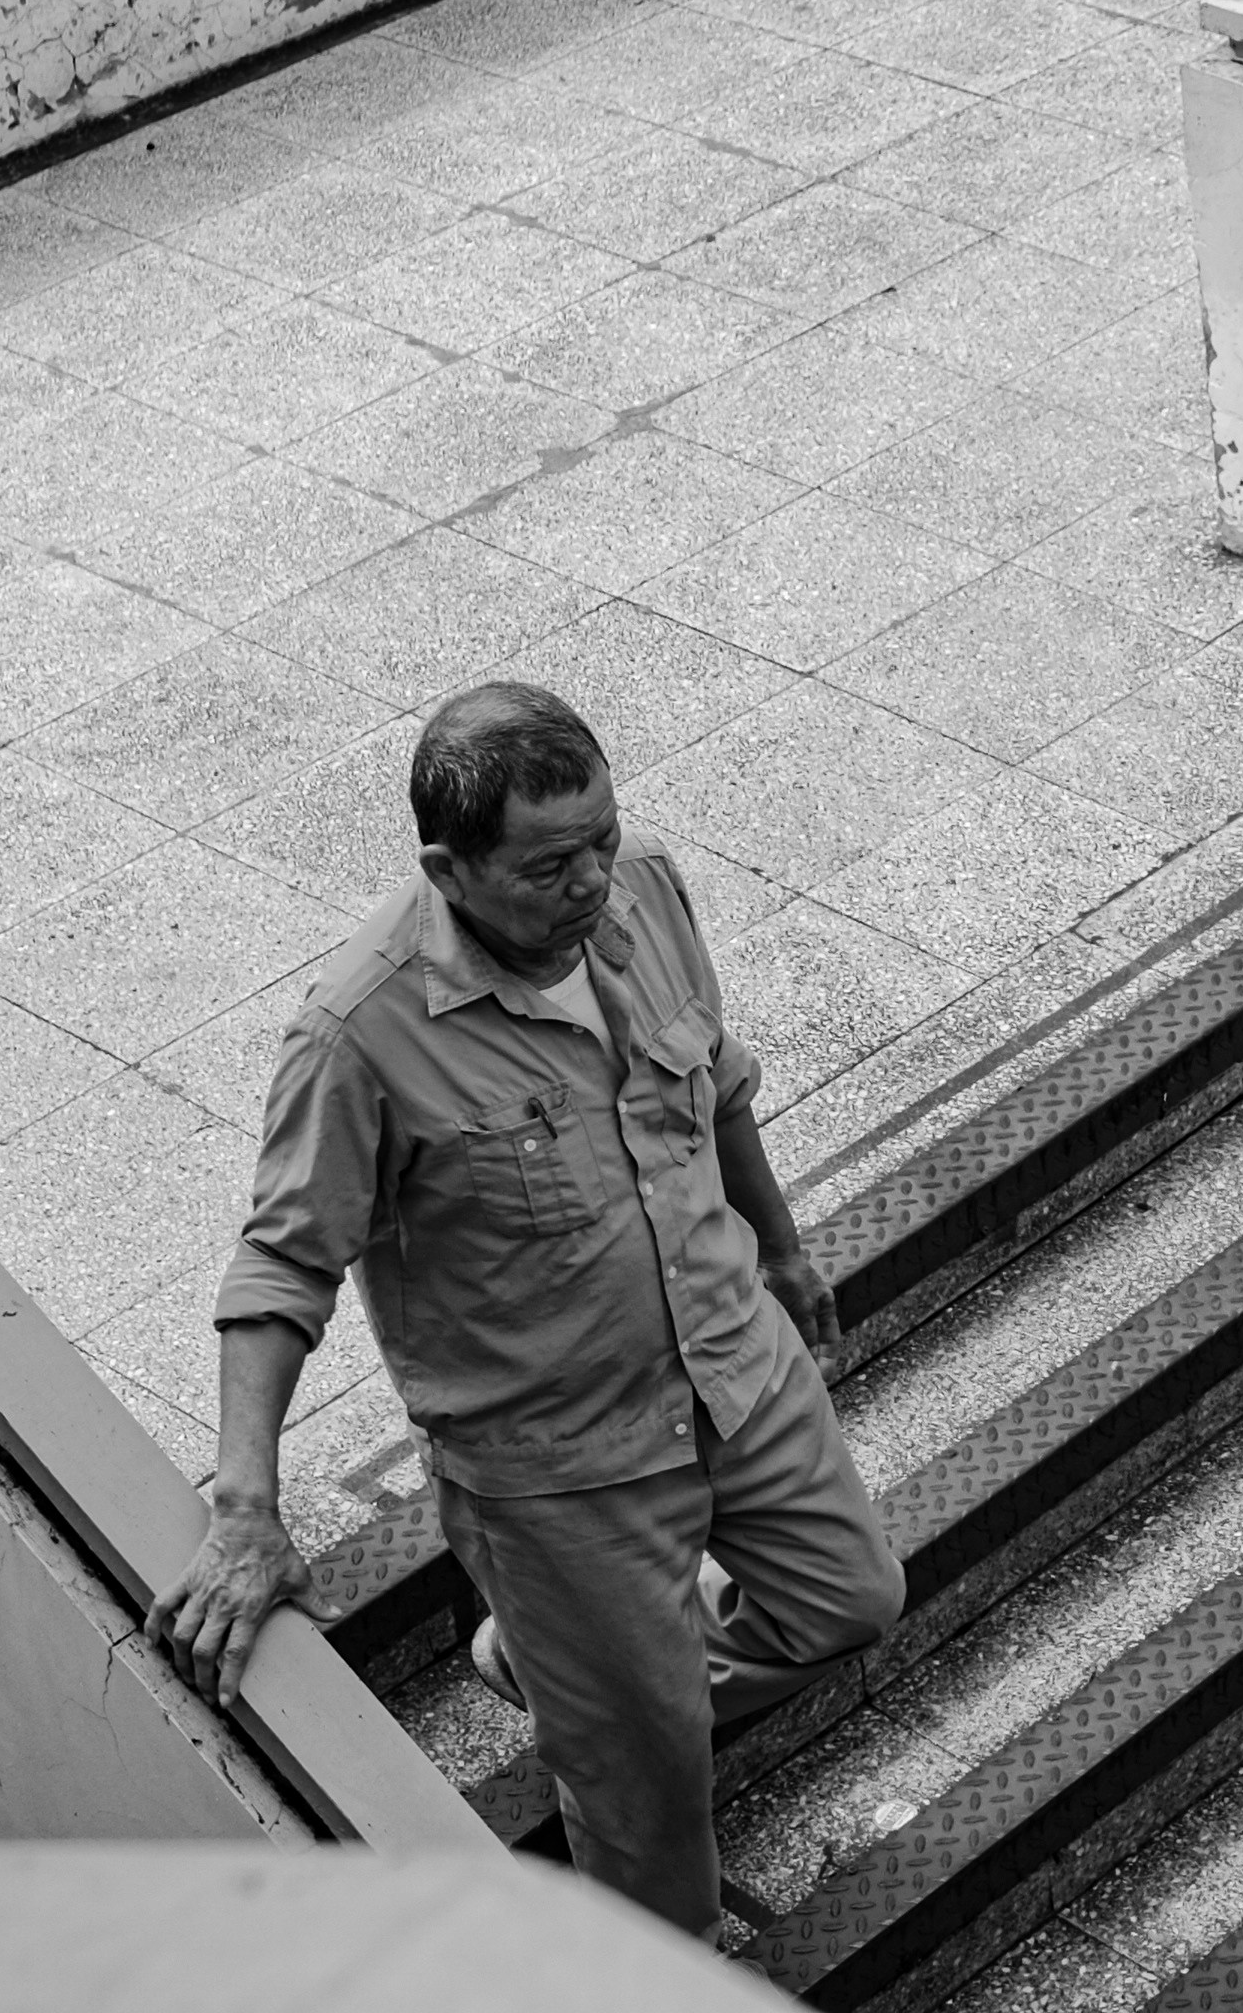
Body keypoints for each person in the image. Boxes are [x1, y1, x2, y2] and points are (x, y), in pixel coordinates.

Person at [149, 681, 902, 1939]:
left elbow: (714, 1088)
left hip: (731, 1356)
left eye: (604, 837)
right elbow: (283, 1266)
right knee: (649, 1800)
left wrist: (781, 1250)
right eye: (553, 864)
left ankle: (568, 1687)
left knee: (850, 1601)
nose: (594, 881)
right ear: (449, 868)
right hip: (563, 1467)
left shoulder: (646, 887)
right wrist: (245, 1511)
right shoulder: (357, 1035)